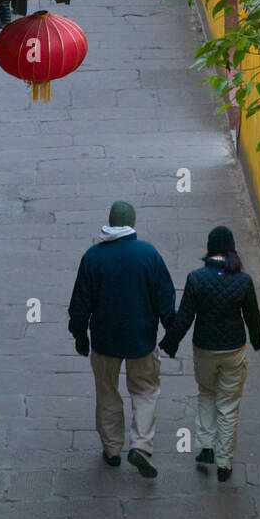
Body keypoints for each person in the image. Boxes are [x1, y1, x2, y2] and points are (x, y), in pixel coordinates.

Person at [68, 201, 176, 478]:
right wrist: (171, 334)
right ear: (133, 223)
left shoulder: (93, 257)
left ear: (110, 222)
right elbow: (165, 298)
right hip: (142, 339)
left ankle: (112, 449)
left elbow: (80, 305)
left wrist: (80, 336)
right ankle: (140, 446)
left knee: (107, 392)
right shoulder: (148, 254)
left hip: (104, 341)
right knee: (145, 390)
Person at [160, 226, 260, 482]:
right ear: (231, 250)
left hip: (204, 348)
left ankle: (206, 447)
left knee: (206, 393)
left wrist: (170, 342)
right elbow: (253, 317)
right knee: (228, 405)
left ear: (209, 249)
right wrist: (257, 339)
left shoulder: (196, 278)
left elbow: (184, 317)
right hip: (233, 350)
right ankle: (225, 462)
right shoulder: (243, 280)